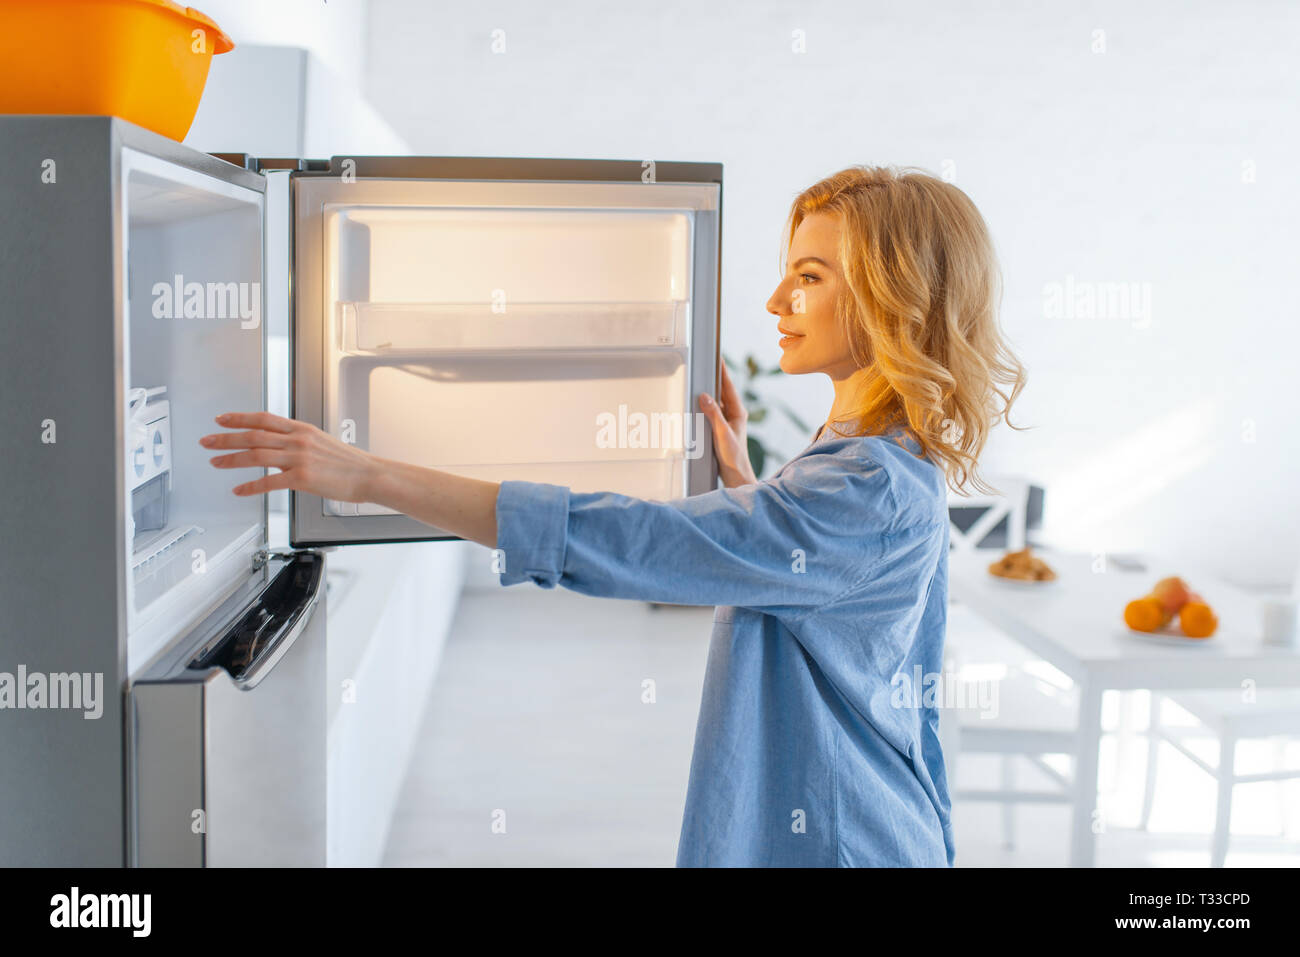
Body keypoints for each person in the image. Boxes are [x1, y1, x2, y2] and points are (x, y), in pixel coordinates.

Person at [201, 165, 1026, 867]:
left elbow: (636, 539)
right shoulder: (869, 460)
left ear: (896, 299)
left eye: (810, 276)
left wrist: (365, 470)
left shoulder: (865, 490)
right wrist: (744, 482)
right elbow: (806, 575)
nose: (777, 297)